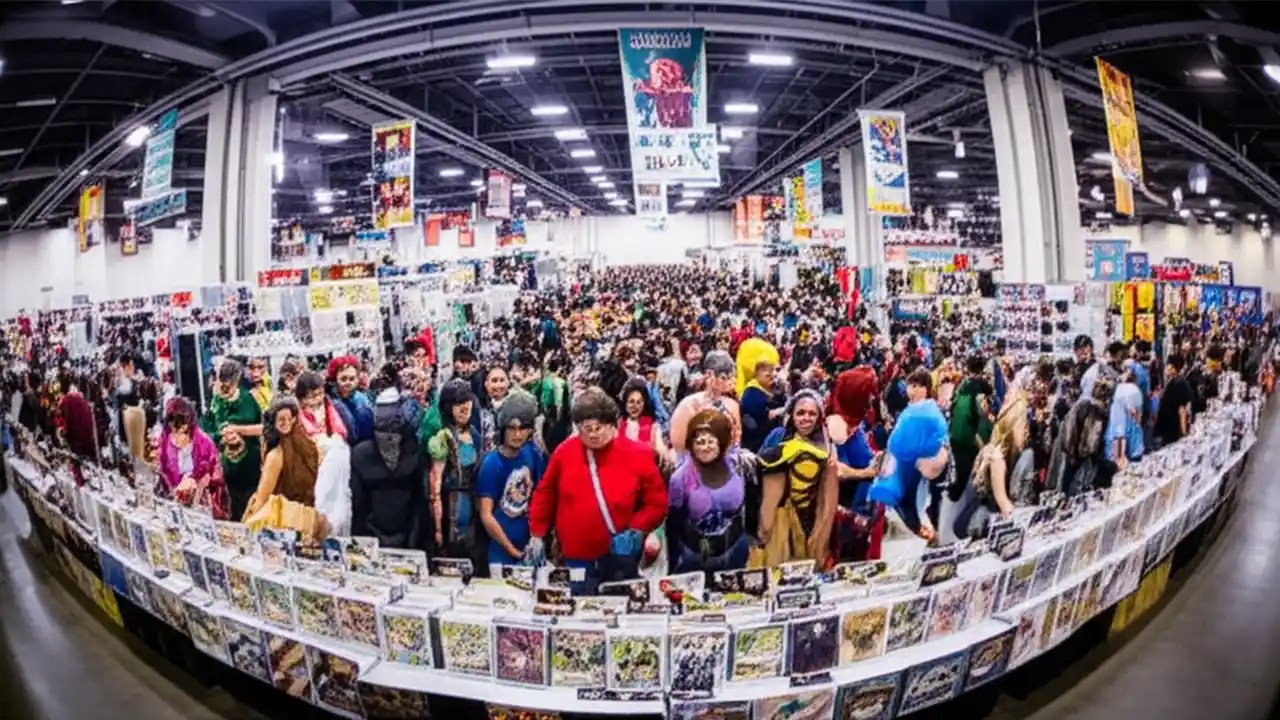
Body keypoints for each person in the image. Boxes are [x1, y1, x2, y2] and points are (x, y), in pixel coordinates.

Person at [526, 387, 668, 594]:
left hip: (620, 556)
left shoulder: (638, 454)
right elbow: (545, 493)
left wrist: (637, 529)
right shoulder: (564, 453)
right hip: (576, 555)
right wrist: (537, 534)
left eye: (598, 428)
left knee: (619, 603)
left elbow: (657, 502)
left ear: (612, 425)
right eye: (586, 429)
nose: (592, 434)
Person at [756, 389, 839, 567]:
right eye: (800, 413)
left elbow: (829, 497)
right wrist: (763, 534)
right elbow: (769, 495)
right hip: (780, 526)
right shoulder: (777, 440)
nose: (806, 418)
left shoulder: (826, 448)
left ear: (819, 417)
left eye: (811, 414)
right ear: (791, 415)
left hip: (814, 521)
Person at [667, 410, 752, 576]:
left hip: (735, 548)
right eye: (699, 442)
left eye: (711, 441)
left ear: (721, 441)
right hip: (694, 555)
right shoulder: (680, 478)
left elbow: (753, 503)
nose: (705, 447)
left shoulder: (740, 465)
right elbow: (674, 523)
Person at [868, 371, 951, 540]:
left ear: (924, 389)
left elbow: (897, 442)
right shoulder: (918, 410)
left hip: (918, 467)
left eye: (914, 386)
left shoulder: (921, 412)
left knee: (912, 502)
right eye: (909, 386)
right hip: (918, 468)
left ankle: (927, 530)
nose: (910, 390)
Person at [949, 394, 1033, 540]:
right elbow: (1004, 504)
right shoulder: (997, 459)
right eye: (1023, 426)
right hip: (979, 521)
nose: (1026, 432)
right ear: (1012, 426)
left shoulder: (1011, 454)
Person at [350, 389, 427, 549]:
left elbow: (419, 500)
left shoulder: (413, 452)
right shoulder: (361, 454)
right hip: (379, 534)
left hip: (398, 535)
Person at [477, 391, 544, 567]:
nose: (517, 434)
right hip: (500, 550)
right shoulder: (492, 463)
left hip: (529, 545)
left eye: (522, 429)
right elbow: (486, 513)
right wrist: (512, 550)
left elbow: (542, 495)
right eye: (512, 428)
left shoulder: (532, 454)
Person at [428, 379, 486, 570]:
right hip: (451, 507)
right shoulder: (443, 438)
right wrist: (437, 529)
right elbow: (435, 487)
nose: (464, 408)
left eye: (467, 401)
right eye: (458, 403)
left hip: (474, 508)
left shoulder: (476, 435)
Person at [826, 367, 883, 561]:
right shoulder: (835, 426)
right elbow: (834, 469)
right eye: (867, 395)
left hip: (861, 516)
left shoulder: (854, 424)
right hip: (845, 518)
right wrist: (866, 473)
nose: (870, 400)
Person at [200, 359, 263, 519]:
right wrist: (221, 436)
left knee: (250, 509)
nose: (225, 391)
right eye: (222, 386)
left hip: (250, 468)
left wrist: (239, 430)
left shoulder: (249, 400)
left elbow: (264, 428)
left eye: (229, 386)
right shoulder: (215, 403)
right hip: (225, 472)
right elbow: (205, 432)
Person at [295, 371, 353, 535]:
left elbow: (340, 429)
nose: (317, 400)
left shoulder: (329, 407)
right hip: (311, 462)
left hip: (331, 460)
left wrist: (333, 441)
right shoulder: (297, 414)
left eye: (320, 394)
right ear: (302, 398)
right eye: (312, 396)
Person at [245, 397, 319, 516]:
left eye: (289, 419)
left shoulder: (276, 456)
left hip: (282, 516)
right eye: (281, 419)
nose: (286, 423)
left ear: (294, 419)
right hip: (307, 513)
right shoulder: (310, 444)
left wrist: (251, 519)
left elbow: (262, 499)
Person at [155, 397, 226, 518]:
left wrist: (198, 481)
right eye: (175, 425)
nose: (180, 430)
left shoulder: (205, 443)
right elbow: (160, 473)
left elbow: (216, 476)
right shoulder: (163, 442)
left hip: (201, 508)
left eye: (183, 425)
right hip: (172, 506)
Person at [1046, 377, 1115, 497]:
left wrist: (1070, 452)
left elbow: (1068, 431)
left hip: (1070, 456)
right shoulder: (1098, 414)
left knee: (1066, 486)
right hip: (1084, 459)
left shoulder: (1080, 406)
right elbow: (1092, 443)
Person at [669, 350, 741, 453]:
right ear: (708, 374)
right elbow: (679, 443)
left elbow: (736, 438)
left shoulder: (732, 404)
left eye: (732, 377)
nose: (731, 382)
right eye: (724, 377)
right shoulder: (690, 404)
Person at [947, 355, 994, 503]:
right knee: (969, 467)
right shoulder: (981, 387)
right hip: (969, 436)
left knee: (960, 467)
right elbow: (983, 413)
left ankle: (954, 494)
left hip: (955, 433)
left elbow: (952, 406)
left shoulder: (961, 385)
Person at [736, 338, 782, 452]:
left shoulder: (772, 390)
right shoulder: (751, 394)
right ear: (754, 371)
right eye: (766, 369)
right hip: (758, 451)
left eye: (774, 369)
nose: (772, 374)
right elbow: (770, 416)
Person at [618, 377, 674, 468]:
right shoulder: (618, 426)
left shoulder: (653, 427)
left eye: (639, 402)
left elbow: (660, 447)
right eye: (631, 402)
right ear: (625, 404)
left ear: (644, 404)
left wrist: (662, 451)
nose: (635, 406)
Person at [327, 355, 374, 444]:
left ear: (357, 380)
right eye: (343, 379)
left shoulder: (362, 401)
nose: (348, 382)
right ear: (335, 379)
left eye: (352, 379)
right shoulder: (330, 402)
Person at [1153, 353, 1193, 448]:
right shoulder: (1172, 383)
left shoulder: (1180, 384)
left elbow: (1182, 410)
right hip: (1167, 429)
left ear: (1173, 368)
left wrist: (1183, 433)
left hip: (1173, 431)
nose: (1165, 369)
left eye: (1168, 366)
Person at [1109, 366, 1145, 469]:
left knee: (1119, 447)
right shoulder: (1135, 389)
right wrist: (1138, 421)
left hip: (1118, 423)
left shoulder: (1120, 388)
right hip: (1130, 422)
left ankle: (1120, 465)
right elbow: (1134, 410)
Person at [478, 364, 512, 452]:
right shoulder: (481, 410)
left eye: (502, 380)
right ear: (486, 384)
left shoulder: (515, 407)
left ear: (508, 382)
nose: (498, 385)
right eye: (494, 381)